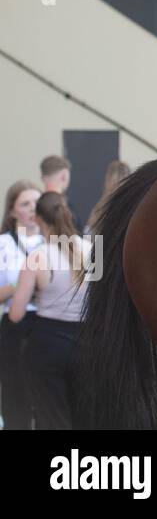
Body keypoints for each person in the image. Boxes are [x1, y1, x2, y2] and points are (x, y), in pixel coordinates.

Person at [8, 193, 90, 430]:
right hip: (87, 344)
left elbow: (15, 314)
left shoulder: (37, 257)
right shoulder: (94, 250)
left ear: (38, 219)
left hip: (47, 344)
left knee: (52, 419)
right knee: (86, 416)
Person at [0, 181, 43, 431]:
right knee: (15, 398)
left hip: (46, 323)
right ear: (13, 210)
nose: (32, 209)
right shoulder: (4, 244)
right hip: (15, 325)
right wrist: (24, 284)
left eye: (36, 203)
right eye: (25, 204)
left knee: (45, 398)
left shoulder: (54, 241)